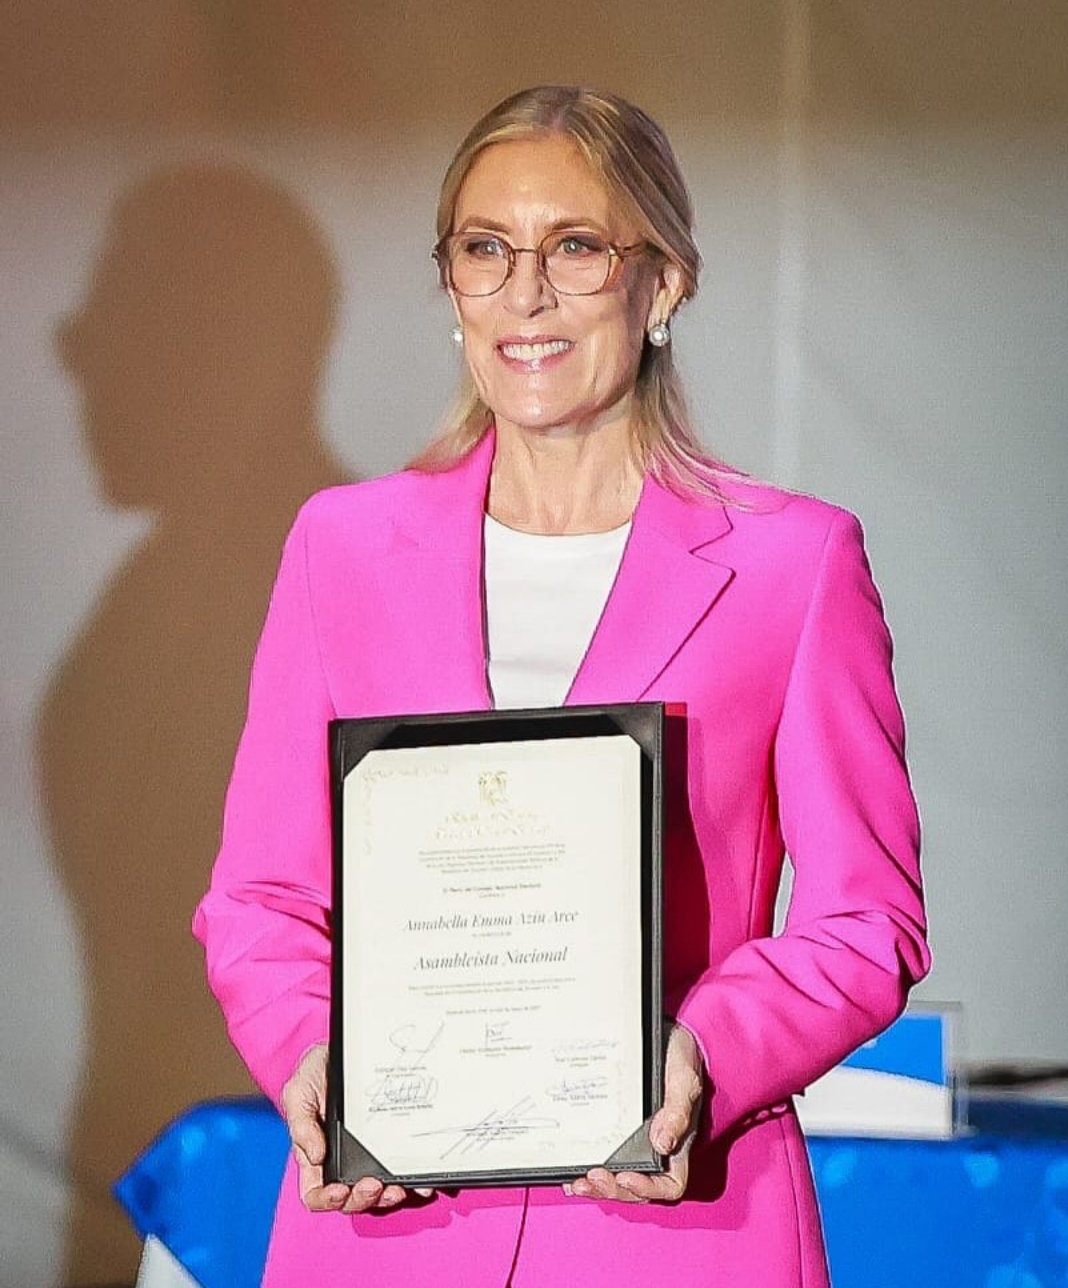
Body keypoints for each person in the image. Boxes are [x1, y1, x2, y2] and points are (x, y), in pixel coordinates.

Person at [194, 85, 930, 1287]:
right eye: (486, 250)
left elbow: (866, 920)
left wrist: (704, 1054)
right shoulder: (341, 547)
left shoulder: (794, 563)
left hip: (681, 1225)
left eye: (575, 248)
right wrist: (316, 1052)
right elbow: (261, 896)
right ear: (452, 287)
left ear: (666, 283)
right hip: (388, 1229)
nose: (524, 294)